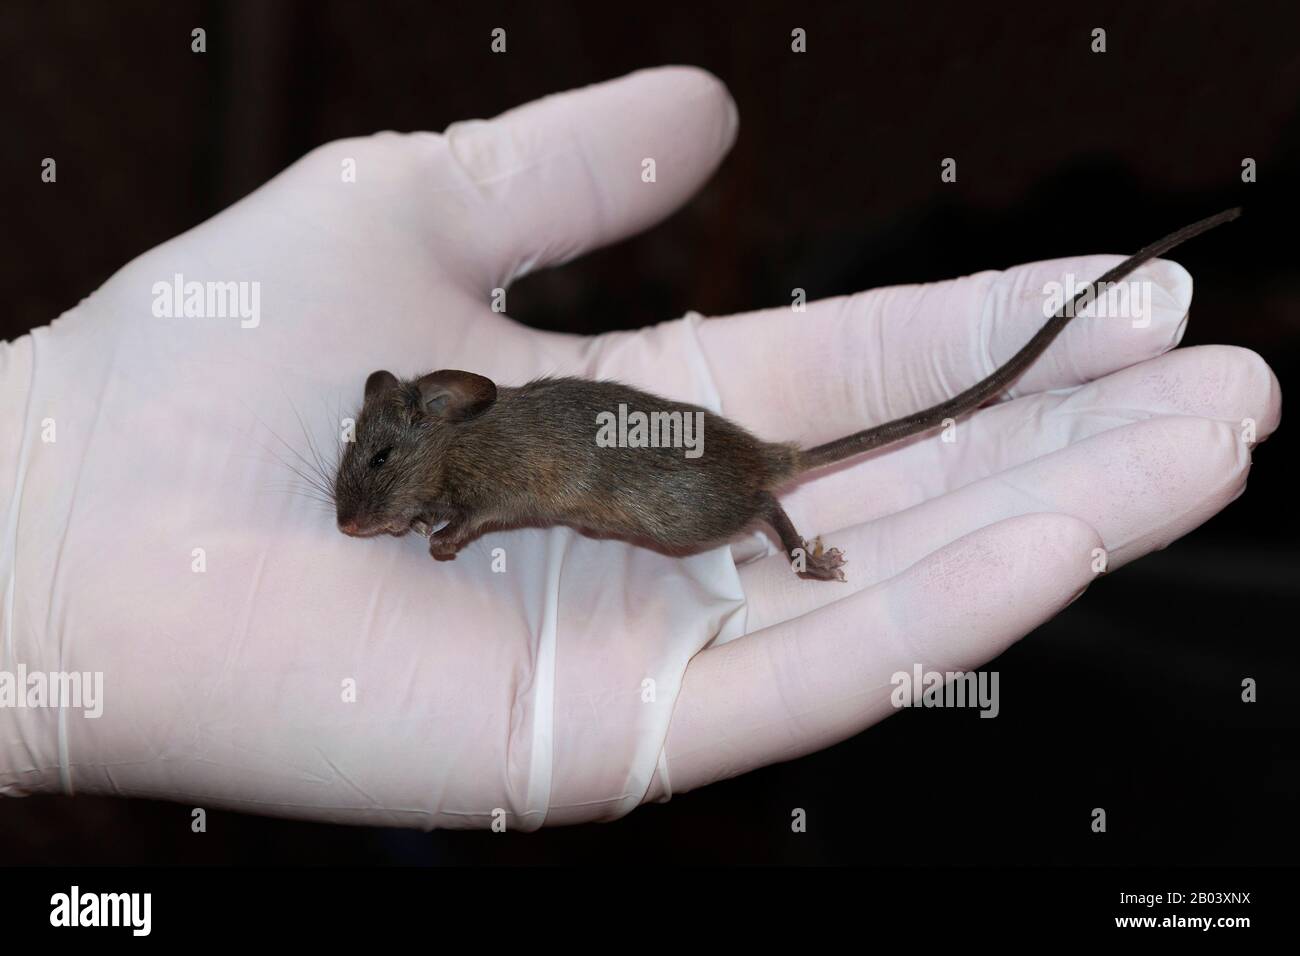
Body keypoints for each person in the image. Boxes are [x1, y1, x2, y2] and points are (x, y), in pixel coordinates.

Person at [0, 67, 1280, 830]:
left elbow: (503, 500)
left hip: (663, 477)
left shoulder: (474, 458)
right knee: (732, 486)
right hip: (679, 453)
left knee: (693, 514)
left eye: (378, 485)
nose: (367, 502)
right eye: (368, 479)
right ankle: (782, 520)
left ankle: (778, 521)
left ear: (433, 425)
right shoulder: (437, 428)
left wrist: (450, 529)